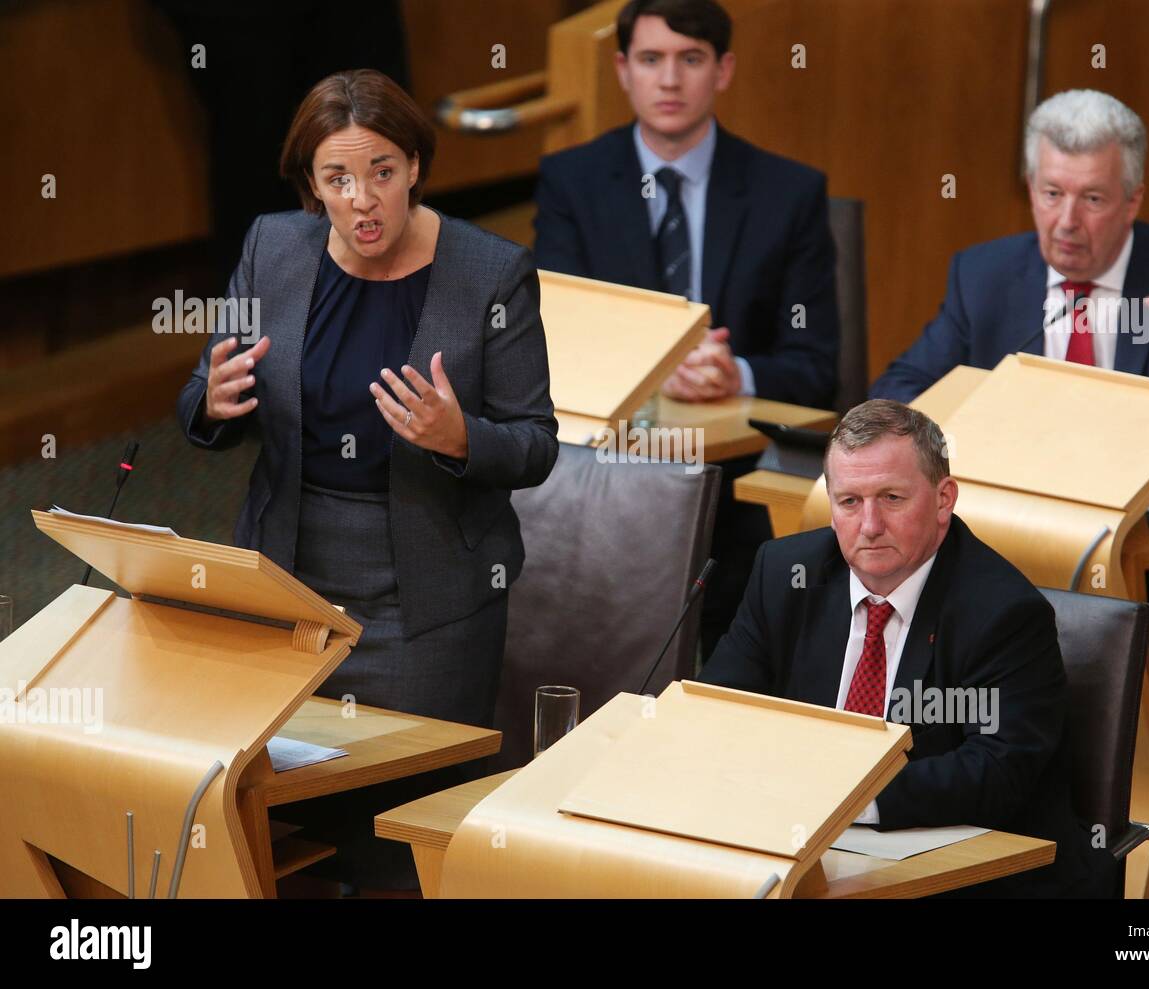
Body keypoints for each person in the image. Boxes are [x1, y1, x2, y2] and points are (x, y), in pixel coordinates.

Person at [176, 69, 558, 890]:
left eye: (382, 170)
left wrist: (460, 438)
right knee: (270, 822)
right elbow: (204, 407)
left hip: (426, 599)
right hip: (288, 586)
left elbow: (535, 446)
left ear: (416, 165)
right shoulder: (272, 248)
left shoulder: (490, 272)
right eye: (337, 177)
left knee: (399, 842)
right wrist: (210, 400)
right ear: (311, 186)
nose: (362, 198)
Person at [869, 88, 1149, 847]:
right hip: (1008, 555)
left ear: (1133, 199)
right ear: (1031, 187)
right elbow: (900, 397)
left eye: (1091, 198)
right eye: (1050, 193)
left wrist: (1095, 454)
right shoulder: (983, 276)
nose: (1066, 220)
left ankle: (1144, 854)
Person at [700, 400, 1112, 897]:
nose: (869, 525)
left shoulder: (1003, 611)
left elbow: (999, 771)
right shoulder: (785, 575)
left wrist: (842, 801)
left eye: (891, 498)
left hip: (966, 872)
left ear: (943, 499)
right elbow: (718, 711)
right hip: (802, 847)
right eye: (849, 502)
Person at [533, 0, 840, 653]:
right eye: (651, 60)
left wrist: (739, 373)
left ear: (723, 70)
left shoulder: (790, 194)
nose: (669, 81)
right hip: (604, 469)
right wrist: (650, 366)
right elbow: (553, 341)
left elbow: (818, 366)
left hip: (736, 480)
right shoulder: (573, 182)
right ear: (622, 70)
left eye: (690, 60)